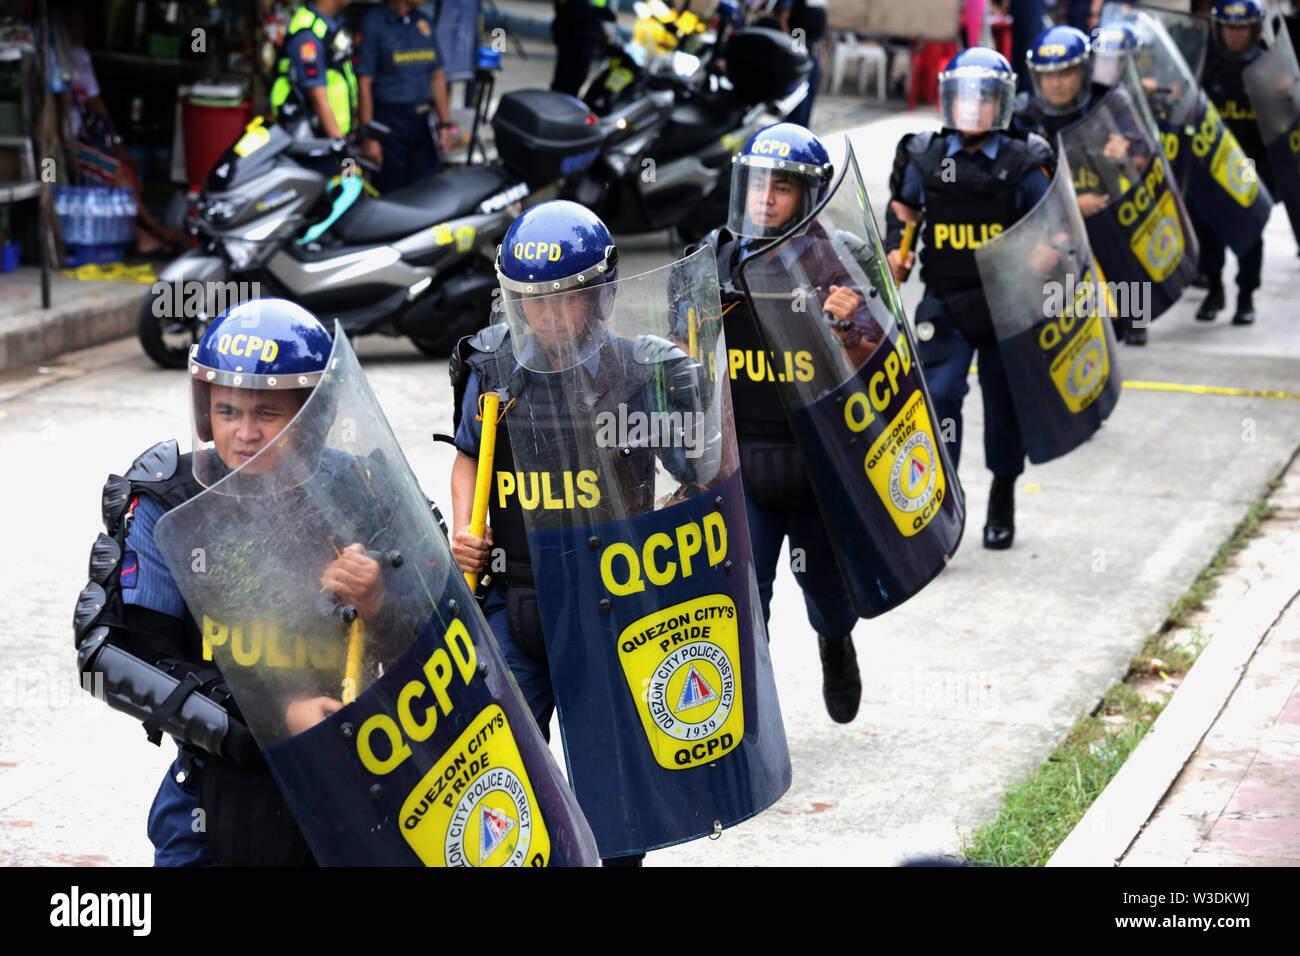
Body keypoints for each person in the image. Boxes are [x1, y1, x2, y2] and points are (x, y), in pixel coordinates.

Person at [448, 200, 722, 864]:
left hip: (616, 604)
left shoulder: (642, 371)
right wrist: (465, 527)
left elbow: (701, 473)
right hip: (516, 602)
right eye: (531, 302)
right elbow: (466, 458)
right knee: (501, 771)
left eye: (562, 299)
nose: (546, 317)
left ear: (600, 295)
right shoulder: (492, 368)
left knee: (617, 788)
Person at [72, 299, 384, 866]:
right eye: (227, 410)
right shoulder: (167, 499)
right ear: (203, 410)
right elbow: (115, 657)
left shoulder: (361, 485)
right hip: (216, 773)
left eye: (267, 412)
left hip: (355, 770)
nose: (244, 432)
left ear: (312, 414)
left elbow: (449, 626)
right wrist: (270, 718)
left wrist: (382, 596)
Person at [686, 123, 879, 723]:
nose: (765, 198)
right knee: (743, 601)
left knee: (826, 592)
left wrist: (849, 326)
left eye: (783, 188)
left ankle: (836, 643)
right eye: (758, 184)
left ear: (811, 195)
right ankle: (755, 723)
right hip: (745, 465)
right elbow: (678, 361)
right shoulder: (714, 258)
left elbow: (879, 367)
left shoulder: (842, 256)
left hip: (821, 463)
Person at [886, 48, 1054, 549]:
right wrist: (898, 250)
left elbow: (1052, 225)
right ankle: (943, 503)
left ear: (1001, 105)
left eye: (985, 100)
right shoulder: (925, 154)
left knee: (1005, 408)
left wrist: (1046, 255)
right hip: (947, 298)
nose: (973, 109)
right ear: (948, 100)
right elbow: (906, 209)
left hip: (1007, 306)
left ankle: (1002, 493)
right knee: (937, 398)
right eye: (964, 98)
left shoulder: (1026, 161)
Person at [1196, 0, 1270, 325]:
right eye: (1229, 27)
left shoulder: (1269, 65)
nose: (1235, 35)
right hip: (1211, 161)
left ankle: (1246, 295)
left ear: (1253, 29)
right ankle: (1214, 288)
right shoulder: (1204, 64)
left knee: (1251, 230)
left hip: (1250, 164)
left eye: (1242, 28)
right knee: (1209, 227)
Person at [357, 0, 457, 193]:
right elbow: (364, 82)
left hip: (423, 122)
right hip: (388, 122)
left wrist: (445, 125)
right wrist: (369, 137)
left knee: (429, 191)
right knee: (392, 193)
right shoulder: (374, 22)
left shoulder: (423, 22)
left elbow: (436, 76)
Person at [270, 0, 358, 139]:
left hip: (336, 136)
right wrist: (344, 154)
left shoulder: (329, 23)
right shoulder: (308, 34)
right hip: (318, 139)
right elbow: (318, 98)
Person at [551, 0, 616, 97]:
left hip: (583, 30)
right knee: (568, 77)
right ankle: (560, 103)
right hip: (573, 30)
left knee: (574, 76)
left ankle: (564, 101)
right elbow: (581, 9)